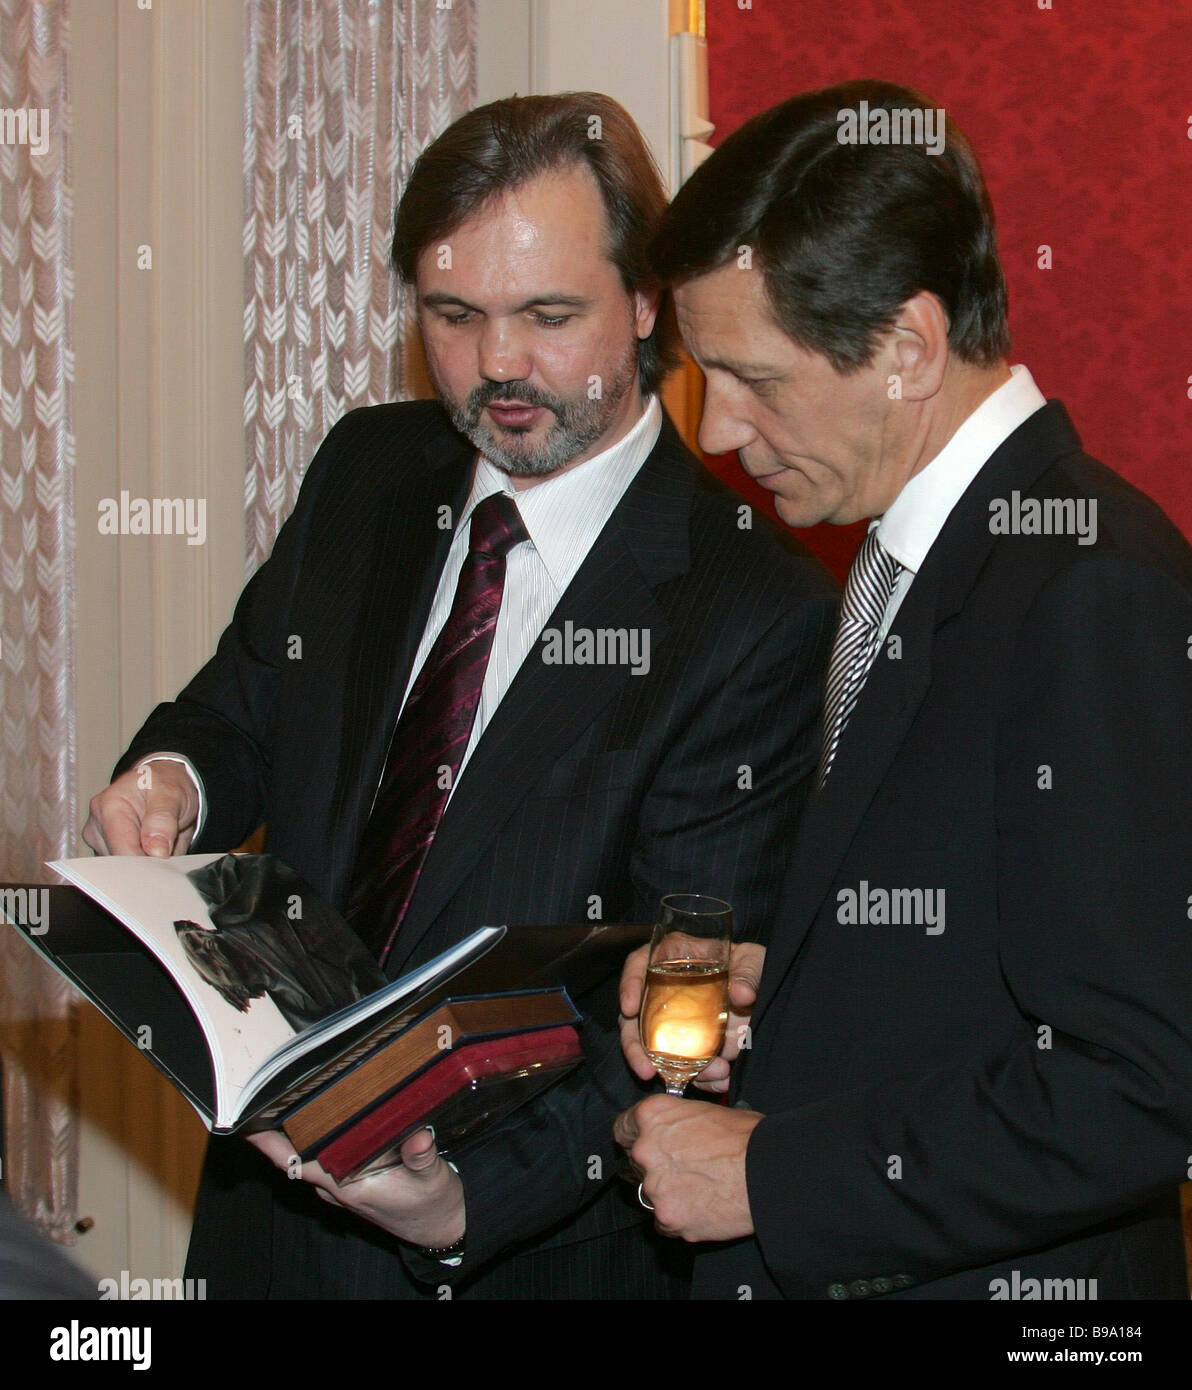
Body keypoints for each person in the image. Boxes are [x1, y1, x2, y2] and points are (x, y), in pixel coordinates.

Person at [82, 92, 837, 1299]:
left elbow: (683, 1015)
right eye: (453, 314)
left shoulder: (753, 607)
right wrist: (173, 778)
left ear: (646, 303)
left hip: (517, 1253)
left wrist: (459, 1204)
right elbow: (234, 711)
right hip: (264, 1227)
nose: (497, 364)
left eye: (547, 315)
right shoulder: (369, 471)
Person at [616, 79, 1192, 1300]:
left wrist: (771, 1177)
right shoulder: (924, 556)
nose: (716, 427)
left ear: (907, 348)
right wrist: (795, 990)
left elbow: (1137, 1086)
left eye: (751, 375)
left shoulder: (1092, 588)